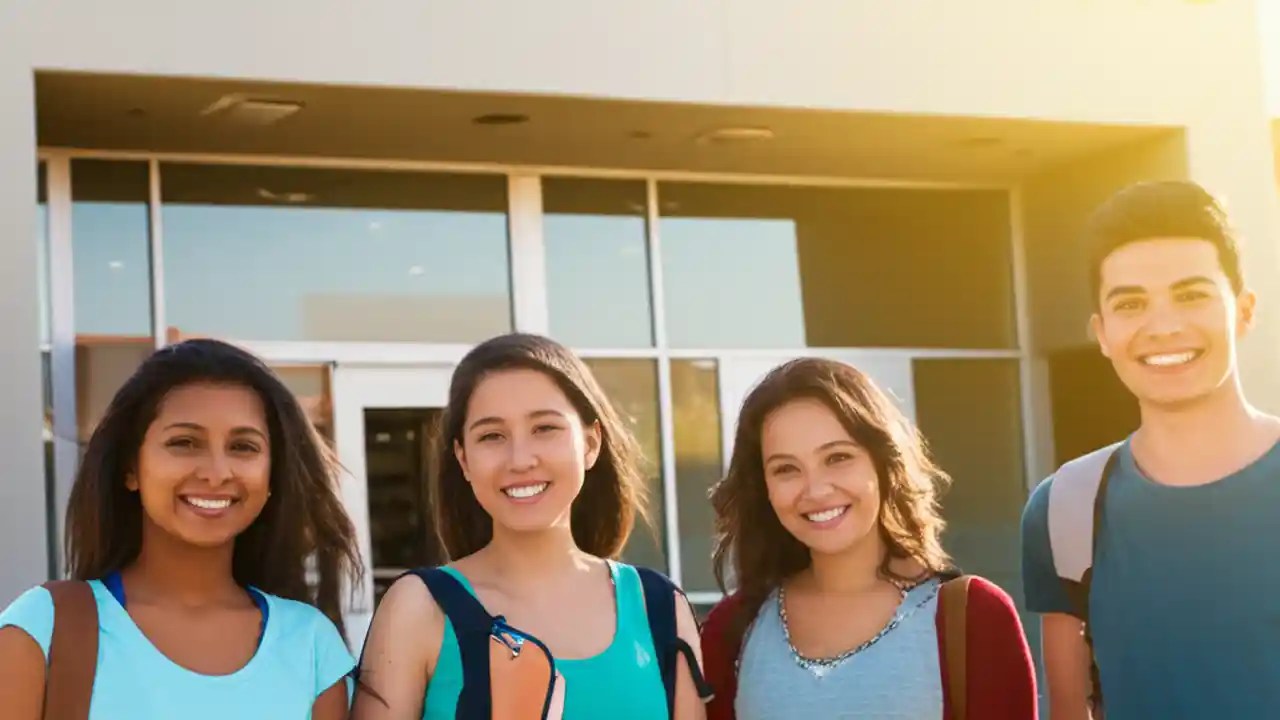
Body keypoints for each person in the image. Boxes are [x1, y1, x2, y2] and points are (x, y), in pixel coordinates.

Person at [1021, 180, 1280, 719]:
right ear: (1102, 332)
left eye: (1191, 295)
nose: (1163, 327)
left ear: (1245, 311)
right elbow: (1070, 711)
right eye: (1131, 303)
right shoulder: (1066, 508)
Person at [0, 338, 362, 719]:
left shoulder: (311, 646)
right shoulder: (45, 627)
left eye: (243, 447)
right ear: (131, 468)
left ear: (273, 476)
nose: (217, 473)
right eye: (184, 442)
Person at [352, 333, 707, 720]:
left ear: (590, 444)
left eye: (545, 428)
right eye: (492, 436)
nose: (520, 459)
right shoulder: (418, 608)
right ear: (464, 460)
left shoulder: (659, 607)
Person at [700, 357, 1036, 720]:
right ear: (763, 487)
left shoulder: (975, 618)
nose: (816, 489)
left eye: (838, 457)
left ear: (883, 462)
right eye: (786, 469)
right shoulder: (731, 631)